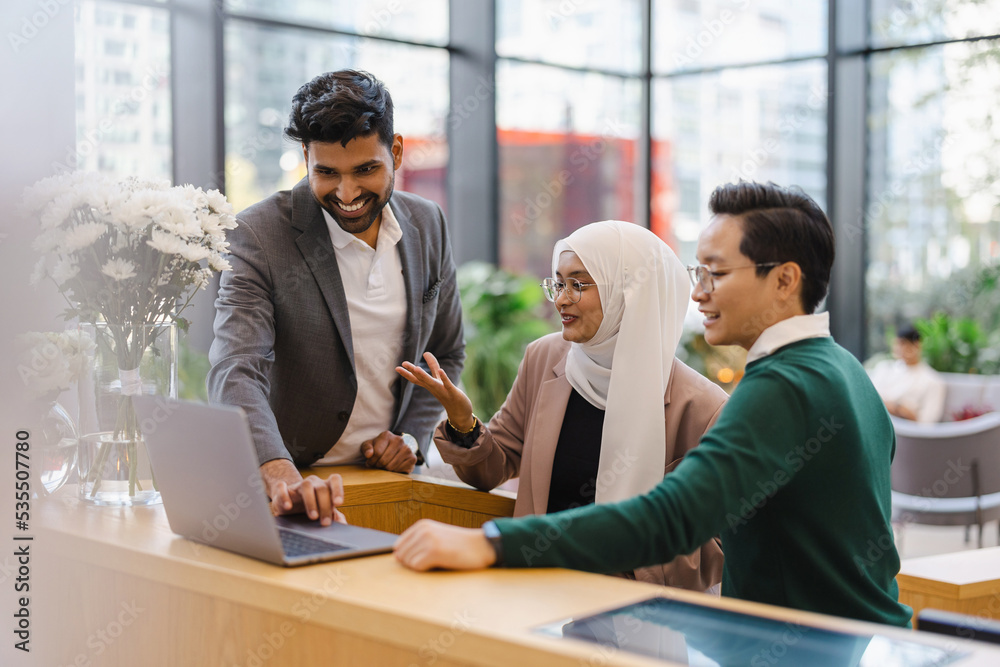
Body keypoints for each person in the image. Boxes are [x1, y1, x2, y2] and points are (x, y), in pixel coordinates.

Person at [393, 182, 913, 628]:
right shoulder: (846, 371)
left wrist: (492, 544)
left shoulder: (780, 387)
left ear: (784, 280)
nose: (698, 294)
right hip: (857, 638)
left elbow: (672, 518)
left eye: (717, 274)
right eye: (698, 273)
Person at [398, 221, 728, 592]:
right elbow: (493, 469)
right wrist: (463, 423)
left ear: (628, 292)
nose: (560, 300)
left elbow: (716, 547)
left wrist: (623, 555)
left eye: (578, 284)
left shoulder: (702, 407)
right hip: (535, 590)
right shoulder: (544, 358)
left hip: (632, 607)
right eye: (558, 283)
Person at [208, 70, 465, 525]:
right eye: (327, 173)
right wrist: (278, 472)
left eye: (366, 170)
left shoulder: (428, 223)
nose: (347, 194)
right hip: (291, 488)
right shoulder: (259, 235)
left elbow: (444, 352)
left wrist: (410, 438)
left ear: (396, 152)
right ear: (306, 157)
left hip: (385, 486)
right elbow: (236, 368)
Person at [868, 324, 946, 423]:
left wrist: (898, 409)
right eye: (898, 344)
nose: (901, 349)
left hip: (903, 430)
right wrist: (897, 408)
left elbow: (927, 422)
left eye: (905, 344)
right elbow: (868, 397)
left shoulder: (932, 381)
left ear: (917, 346)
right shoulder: (884, 368)